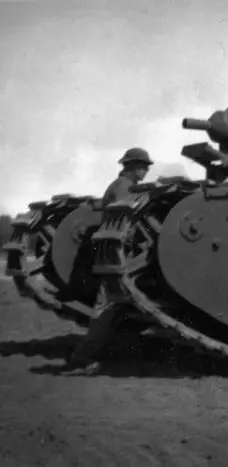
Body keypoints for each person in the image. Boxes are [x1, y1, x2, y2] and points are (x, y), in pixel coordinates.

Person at [65, 147, 154, 375]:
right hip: (118, 256)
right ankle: (83, 359)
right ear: (132, 167)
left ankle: (91, 355)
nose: (145, 171)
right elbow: (126, 222)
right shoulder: (125, 188)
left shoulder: (118, 186)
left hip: (114, 255)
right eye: (143, 167)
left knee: (110, 308)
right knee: (105, 308)